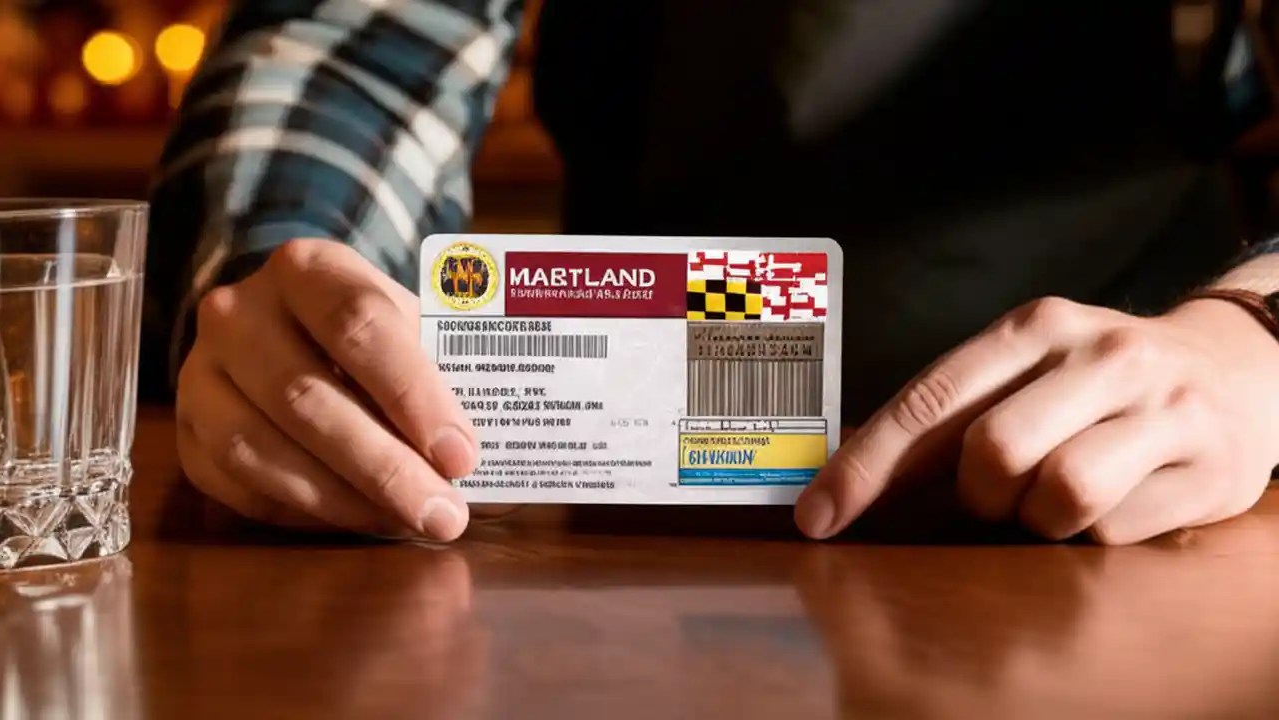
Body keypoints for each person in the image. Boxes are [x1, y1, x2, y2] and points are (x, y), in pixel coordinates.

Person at [143, 0, 1279, 545]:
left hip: (1146, 500)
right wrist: (290, 292)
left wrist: (1255, 332)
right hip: (635, 531)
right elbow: (359, 56)